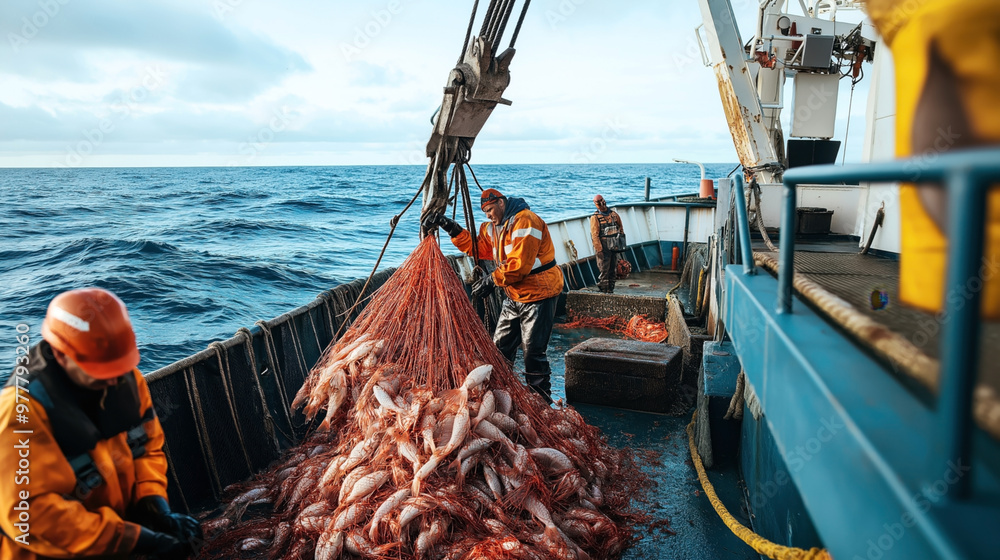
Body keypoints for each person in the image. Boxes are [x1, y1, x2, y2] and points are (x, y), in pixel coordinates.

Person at [0, 288, 201, 560]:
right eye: (100, 372)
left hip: (116, 539)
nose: (112, 381)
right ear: (60, 354)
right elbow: (30, 515)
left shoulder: (126, 380)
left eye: (118, 370)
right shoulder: (19, 413)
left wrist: (153, 502)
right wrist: (135, 539)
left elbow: (147, 448)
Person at [423, 189, 565, 402]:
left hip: (538, 294)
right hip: (514, 295)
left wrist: (491, 280)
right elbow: (477, 249)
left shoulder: (525, 221)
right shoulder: (494, 228)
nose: (488, 215)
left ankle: (540, 401)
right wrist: (450, 227)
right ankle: (503, 393)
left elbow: (520, 266)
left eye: (490, 209)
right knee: (499, 349)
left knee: (533, 354)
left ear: (501, 202)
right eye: (485, 212)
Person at [590, 194, 626, 293]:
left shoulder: (614, 215)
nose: (602, 203)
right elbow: (595, 235)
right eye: (598, 202)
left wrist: (621, 243)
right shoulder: (595, 218)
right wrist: (599, 249)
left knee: (612, 268)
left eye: (602, 201)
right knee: (604, 268)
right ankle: (604, 288)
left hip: (614, 245)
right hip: (604, 246)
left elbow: (621, 228)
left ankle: (610, 288)